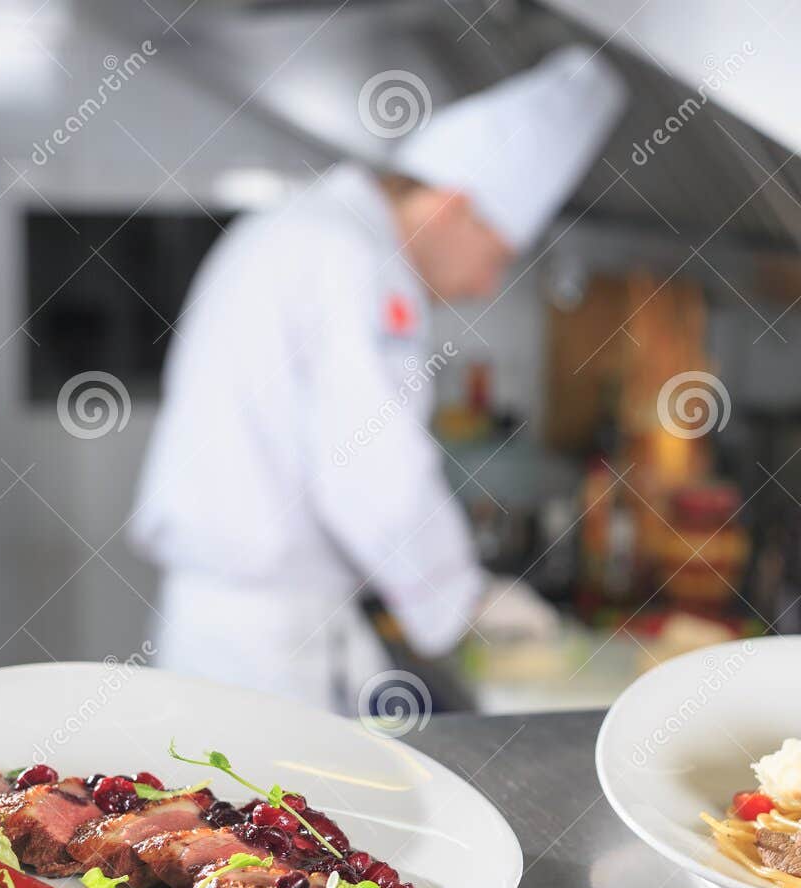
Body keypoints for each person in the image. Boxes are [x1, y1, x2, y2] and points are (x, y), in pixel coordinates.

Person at [130, 46, 627, 711]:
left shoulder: (302, 227)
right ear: (454, 207)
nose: (485, 284)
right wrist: (465, 599)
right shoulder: (356, 262)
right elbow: (369, 463)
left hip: (237, 622)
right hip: (264, 646)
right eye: (497, 256)